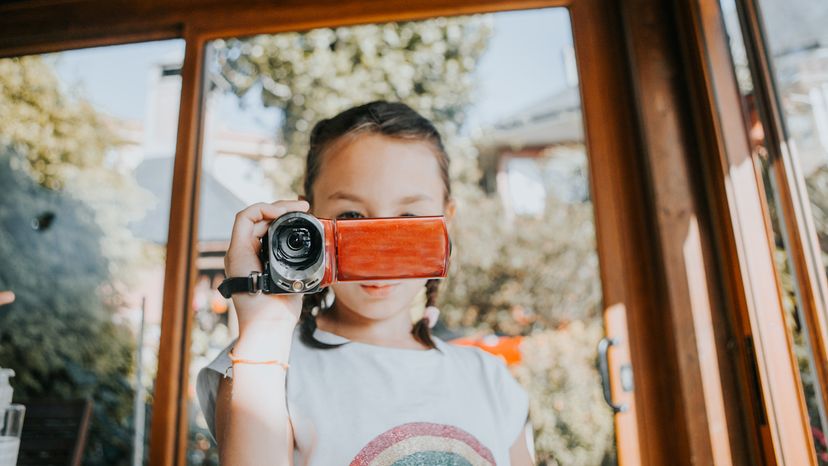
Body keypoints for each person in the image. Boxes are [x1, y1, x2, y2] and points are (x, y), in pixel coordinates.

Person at [197, 101, 533, 465]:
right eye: (351, 216)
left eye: (408, 216)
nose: (380, 248)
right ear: (306, 218)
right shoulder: (261, 369)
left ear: (445, 223)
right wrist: (266, 326)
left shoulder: (491, 381)